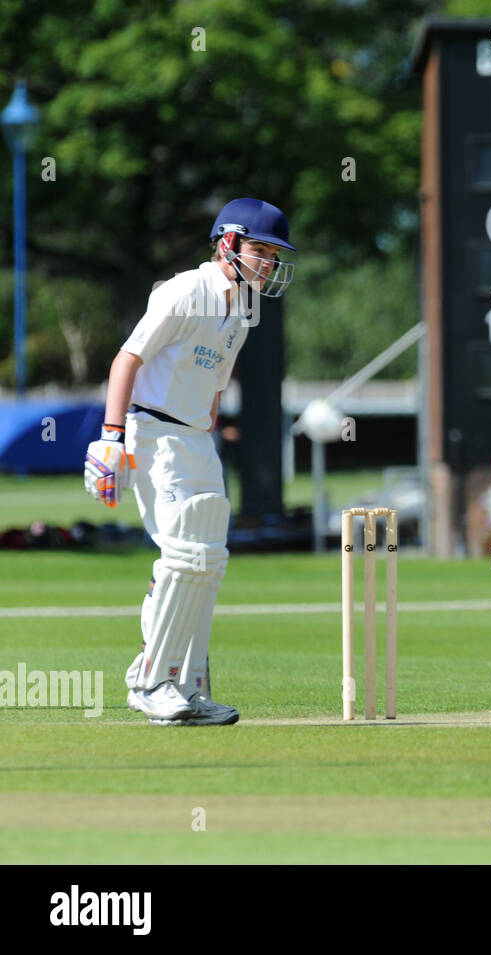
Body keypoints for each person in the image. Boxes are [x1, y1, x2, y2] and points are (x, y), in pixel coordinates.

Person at [84, 198, 296, 725]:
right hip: (154, 433)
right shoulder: (184, 291)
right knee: (182, 555)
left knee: (208, 560)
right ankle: (149, 682)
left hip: (197, 440)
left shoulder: (244, 308)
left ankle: (189, 686)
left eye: (274, 255)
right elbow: (127, 359)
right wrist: (111, 438)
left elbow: (215, 386)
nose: (269, 263)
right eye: (261, 250)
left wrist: (208, 440)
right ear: (228, 242)